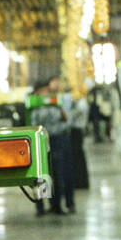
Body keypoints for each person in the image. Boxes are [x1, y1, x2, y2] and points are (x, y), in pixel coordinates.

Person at [33, 78, 75, 215]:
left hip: (58, 139)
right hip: (40, 141)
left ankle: (57, 204)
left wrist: (58, 106)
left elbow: (66, 120)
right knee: (41, 174)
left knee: (59, 173)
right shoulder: (35, 105)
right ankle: (42, 204)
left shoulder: (57, 102)